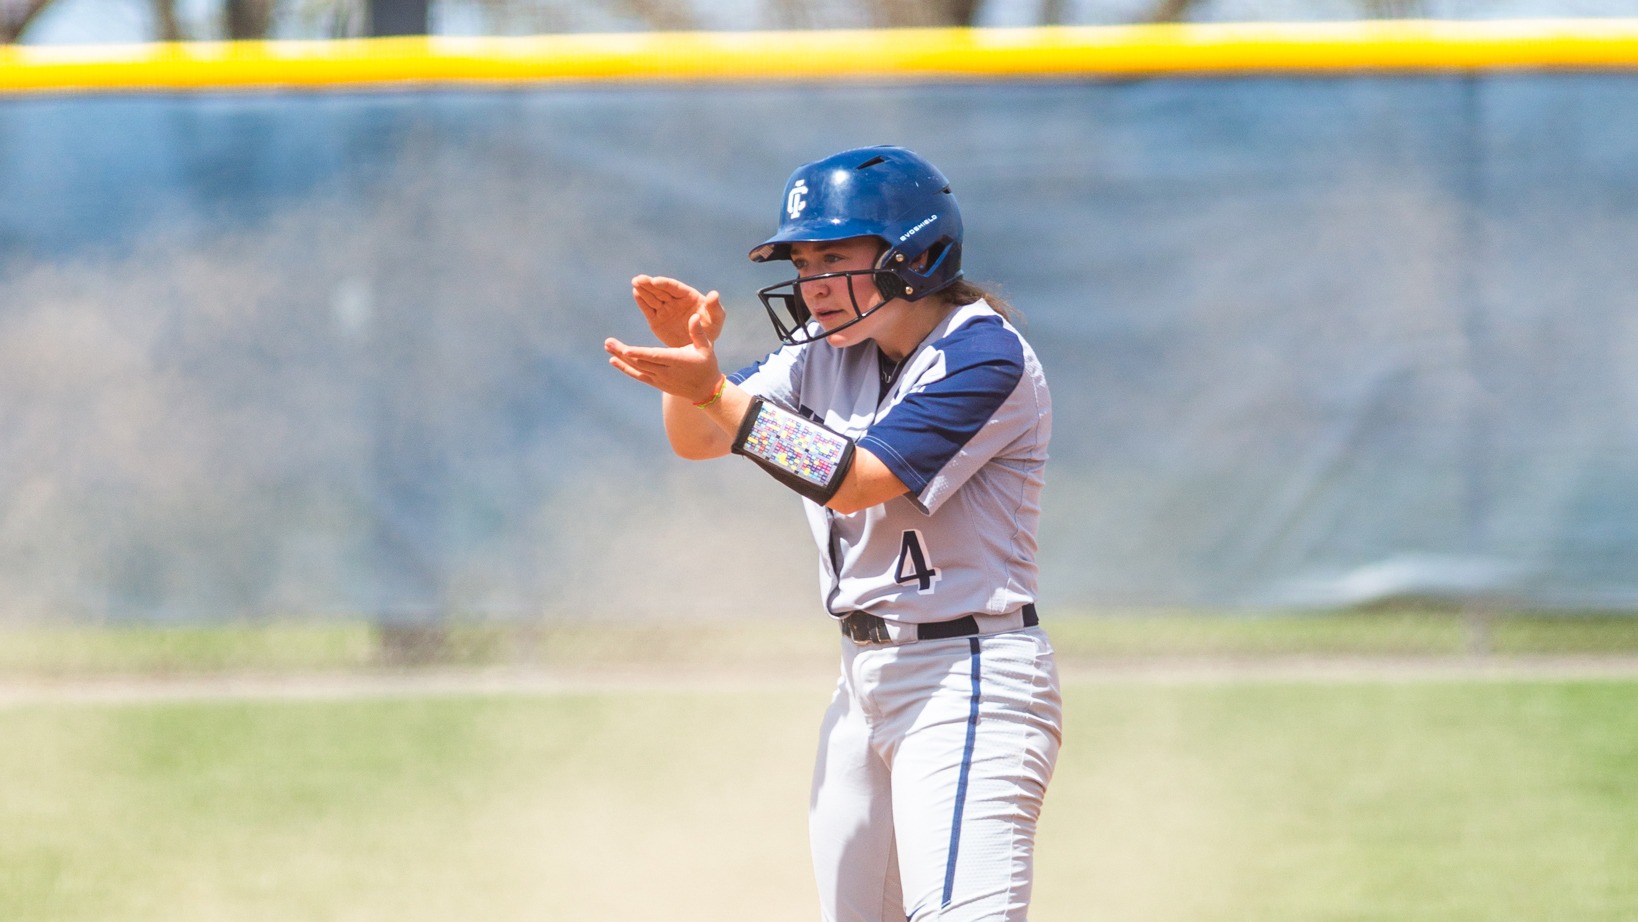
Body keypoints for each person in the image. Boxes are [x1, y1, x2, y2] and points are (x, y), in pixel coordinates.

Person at [604, 145, 1062, 922]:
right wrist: (697, 372)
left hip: (969, 678)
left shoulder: (983, 354)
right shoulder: (822, 353)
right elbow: (701, 438)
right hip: (861, 682)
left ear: (912, 256)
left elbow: (854, 479)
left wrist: (715, 391)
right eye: (802, 260)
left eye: (833, 255)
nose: (812, 282)